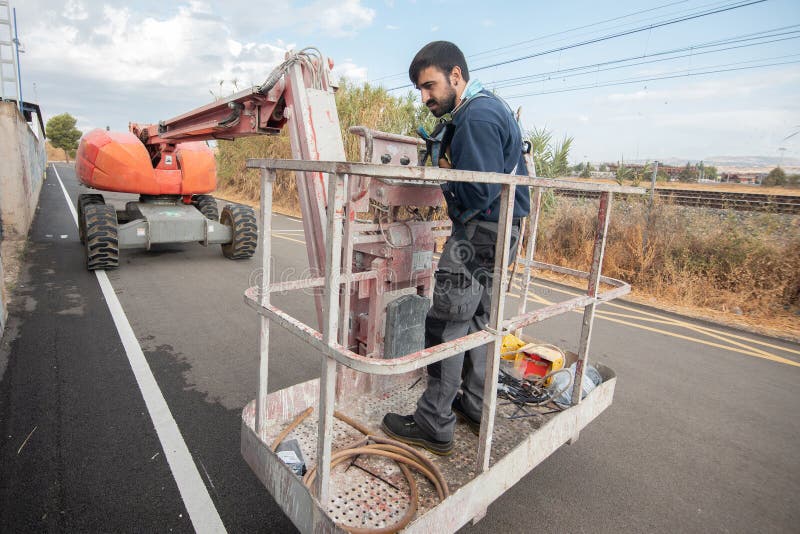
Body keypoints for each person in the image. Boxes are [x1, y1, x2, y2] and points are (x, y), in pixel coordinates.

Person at [381, 41, 530, 455]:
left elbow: (479, 189)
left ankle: (433, 423)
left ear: (456, 76)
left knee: (447, 323)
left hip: (480, 232)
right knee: (479, 320)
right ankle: (476, 404)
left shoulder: (476, 117)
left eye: (429, 86)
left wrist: (444, 174)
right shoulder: (490, 106)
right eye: (420, 91)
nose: (425, 97)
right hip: (505, 227)